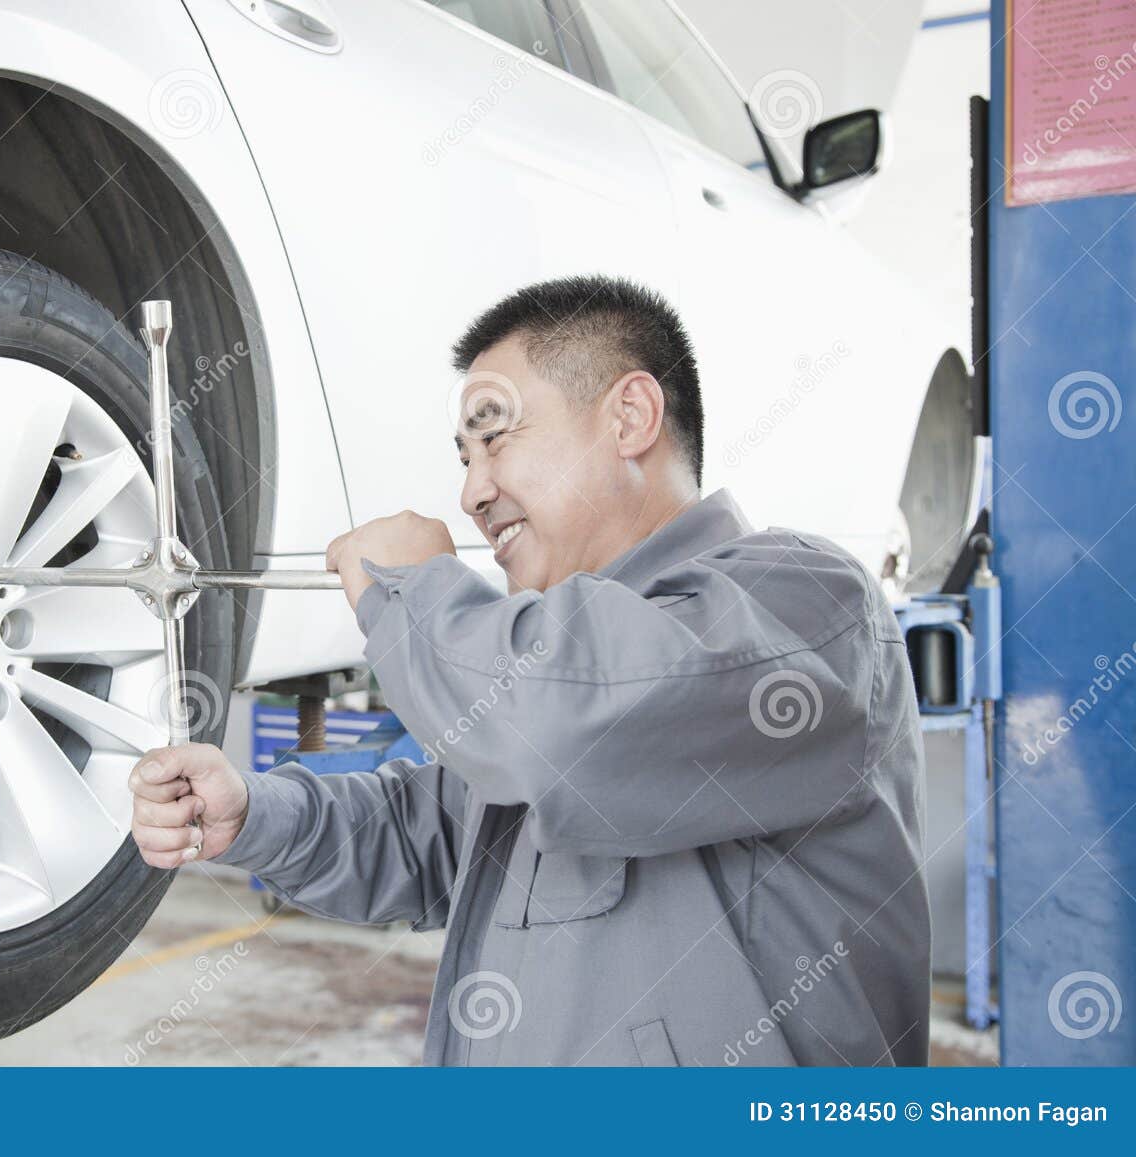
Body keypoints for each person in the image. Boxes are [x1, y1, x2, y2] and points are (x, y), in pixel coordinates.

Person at [128, 275, 930, 1066]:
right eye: (463, 457)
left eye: (496, 438)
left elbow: (568, 720)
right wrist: (252, 814)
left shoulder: (807, 604)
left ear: (631, 416)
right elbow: (426, 831)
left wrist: (418, 592)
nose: (472, 492)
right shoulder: (544, 683)